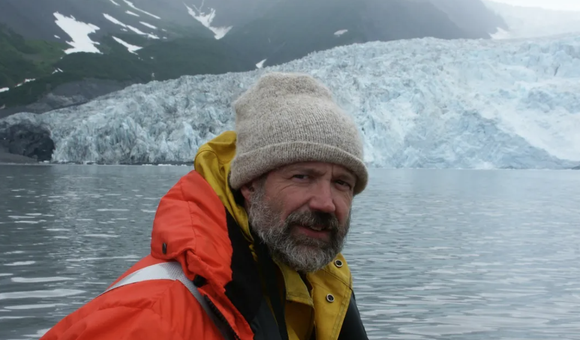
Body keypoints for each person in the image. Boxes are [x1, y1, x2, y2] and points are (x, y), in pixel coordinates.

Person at [40, 72, 370, 340]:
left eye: (342, 183)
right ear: (250, 185)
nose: (326, 203)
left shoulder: (321, 294)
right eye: (301, 176)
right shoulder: (150, 317)